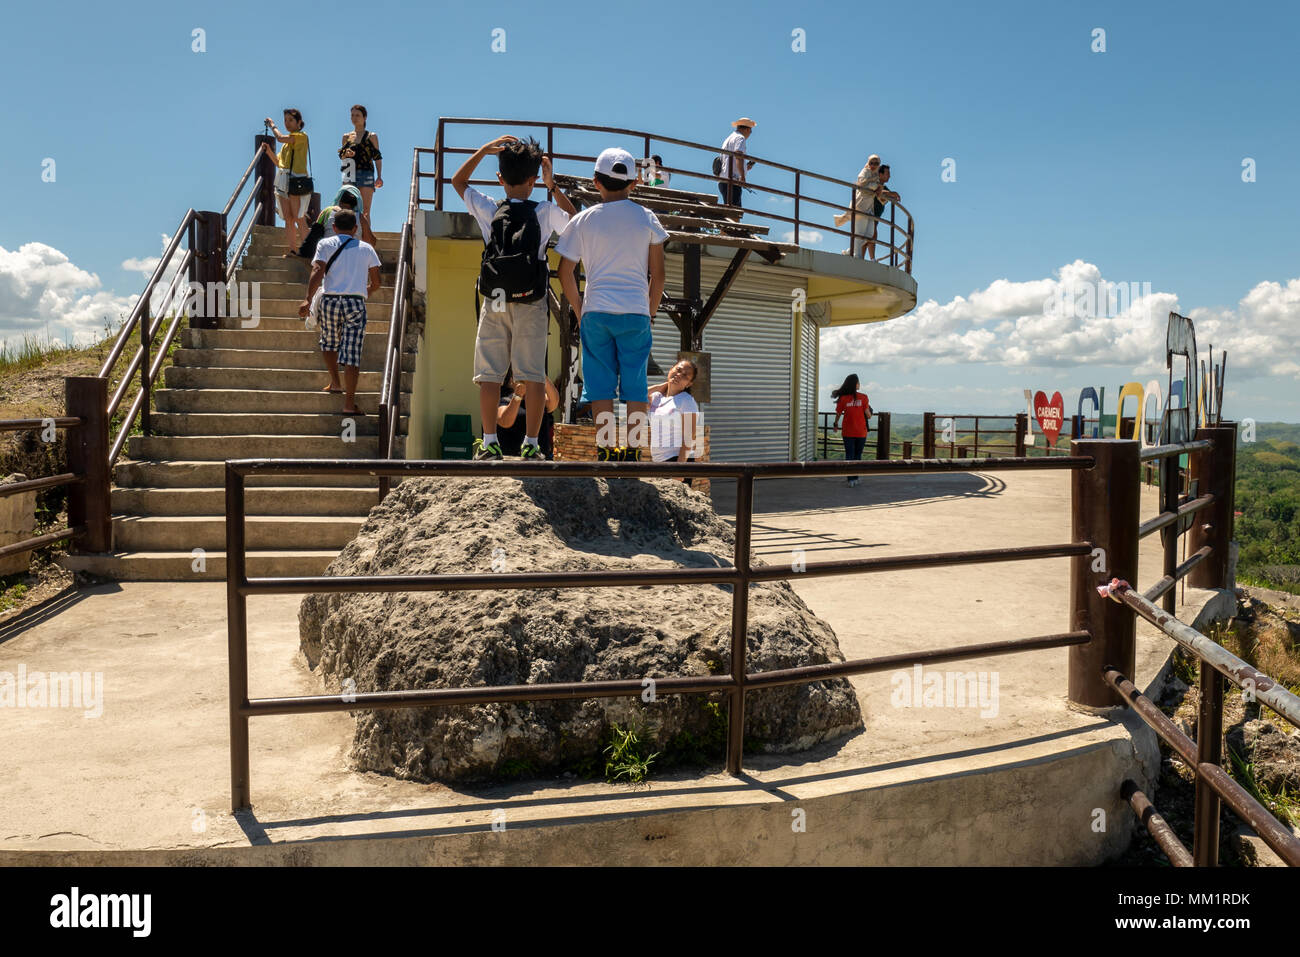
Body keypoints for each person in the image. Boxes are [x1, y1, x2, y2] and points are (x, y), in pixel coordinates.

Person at [451, 134, 576, 461]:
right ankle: (531, 445)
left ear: (499, 178)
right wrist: (552, 185)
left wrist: (483, 149)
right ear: (534, 179)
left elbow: (458, 181)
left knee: (490, 374)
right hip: (531, 299)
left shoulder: (490, 208)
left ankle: (489, 442)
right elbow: (576, 223)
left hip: (495, 298)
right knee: (532, 375)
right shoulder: (544, 210)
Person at [557, 147, 668, 461]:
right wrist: (650, 314)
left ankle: (606, 451)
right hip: (636, 312)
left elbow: (565, 272)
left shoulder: (583, 220)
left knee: (600, 386)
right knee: (635, 384)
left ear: (596, 182)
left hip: (596, 311)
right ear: (634, 183)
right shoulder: (647, 218)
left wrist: (580, 310)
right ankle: (632, 453)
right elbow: (658, 275)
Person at [297, 210, 382, 415]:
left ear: (333, 227)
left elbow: (317, 270)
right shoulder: (367, 248)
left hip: (330, 301)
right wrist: (365, 291)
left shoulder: (324, 244)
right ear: (355, 229)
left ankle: (335, 382)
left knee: (328, 342)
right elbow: (377, 282)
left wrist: (308, 299)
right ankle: (349, 405)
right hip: (355, 303)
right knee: (352, 354)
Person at [263, 109, 311, 256]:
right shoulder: (286, 145)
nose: (287, 123)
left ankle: (309, 251)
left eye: (290, 120)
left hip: (296, 180)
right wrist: (268, 151)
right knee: (288, 219)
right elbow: (279, 163)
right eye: (285, 120)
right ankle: (293, 250)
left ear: (299, 122)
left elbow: (280, 138)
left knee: (298, 217)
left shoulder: (301, 136)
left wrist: (272, 125)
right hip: (283, 180)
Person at [646, 359, 701, 475]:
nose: (679, 375)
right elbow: (638, 397)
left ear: (689, 384)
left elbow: (689, 438)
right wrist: (662, 386)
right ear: (671, 369)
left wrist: (679, 470)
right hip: (658, 460)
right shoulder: (657, 397)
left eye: (685, 375)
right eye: (678, 370)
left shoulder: (686, 401)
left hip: (677, 460)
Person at [296, 185, 374, 259]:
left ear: (339, 197)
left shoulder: (327, 211)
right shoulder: (360, 217)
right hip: (353, 257)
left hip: (327, 256)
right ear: (357, 201)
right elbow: (370, 242)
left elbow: (315, 232)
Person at [497, 372, 560, 459]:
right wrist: (518, 395)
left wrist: (540, 374)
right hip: (513, 459)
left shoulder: (538, 399)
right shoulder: (504, 398)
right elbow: (505, 421)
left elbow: (554, 403)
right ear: (511, 381)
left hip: (541, 459)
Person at [338, 104, 383, 222]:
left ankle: (365, 233)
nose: (354, 118)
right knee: (347, 209)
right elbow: (342, 158)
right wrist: (346, 154)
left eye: (357, 115)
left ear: (364, 117)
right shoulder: (346, 137)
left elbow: (377, 157)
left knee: (365, 211)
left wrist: (379, 176)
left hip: (366, 173)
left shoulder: (371, 136)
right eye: (352, 115)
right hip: (349, 173)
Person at [835, 154, 881, 258]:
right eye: (871, 163)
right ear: (868, 163)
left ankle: (850, 251)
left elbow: (877, 190)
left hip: (869, 207)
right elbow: (862, 186)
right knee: (860, 232)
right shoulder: (865, 172)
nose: (873, 165)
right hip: (861, 206)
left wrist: (877, 188)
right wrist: (875, 186)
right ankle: (857, 255)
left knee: (869, 234)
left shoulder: (876, 175)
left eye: (876, 163)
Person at [831, 374, 873, 486]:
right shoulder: (864, 397)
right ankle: (855, 478)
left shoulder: (843, 398)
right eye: (858, 382)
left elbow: (838, 414)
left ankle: (850, 480)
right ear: (855, 384)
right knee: (858, 455)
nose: (859, 384)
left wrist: (835, 424)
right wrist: (870, 411)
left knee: (849, 455)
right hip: (861, 432)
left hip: (847, 431)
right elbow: (868, 416)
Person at [717, 118, 755, 209]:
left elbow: (730, 160)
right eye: (751, 131)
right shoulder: (740, 138)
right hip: (733, 180)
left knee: (730, 208)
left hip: (723, 179)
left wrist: (745, 168)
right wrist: (742, 176)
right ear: (747, 129)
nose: (750, 133)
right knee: (735, 211)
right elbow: (738, 156)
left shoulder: (729, 138)